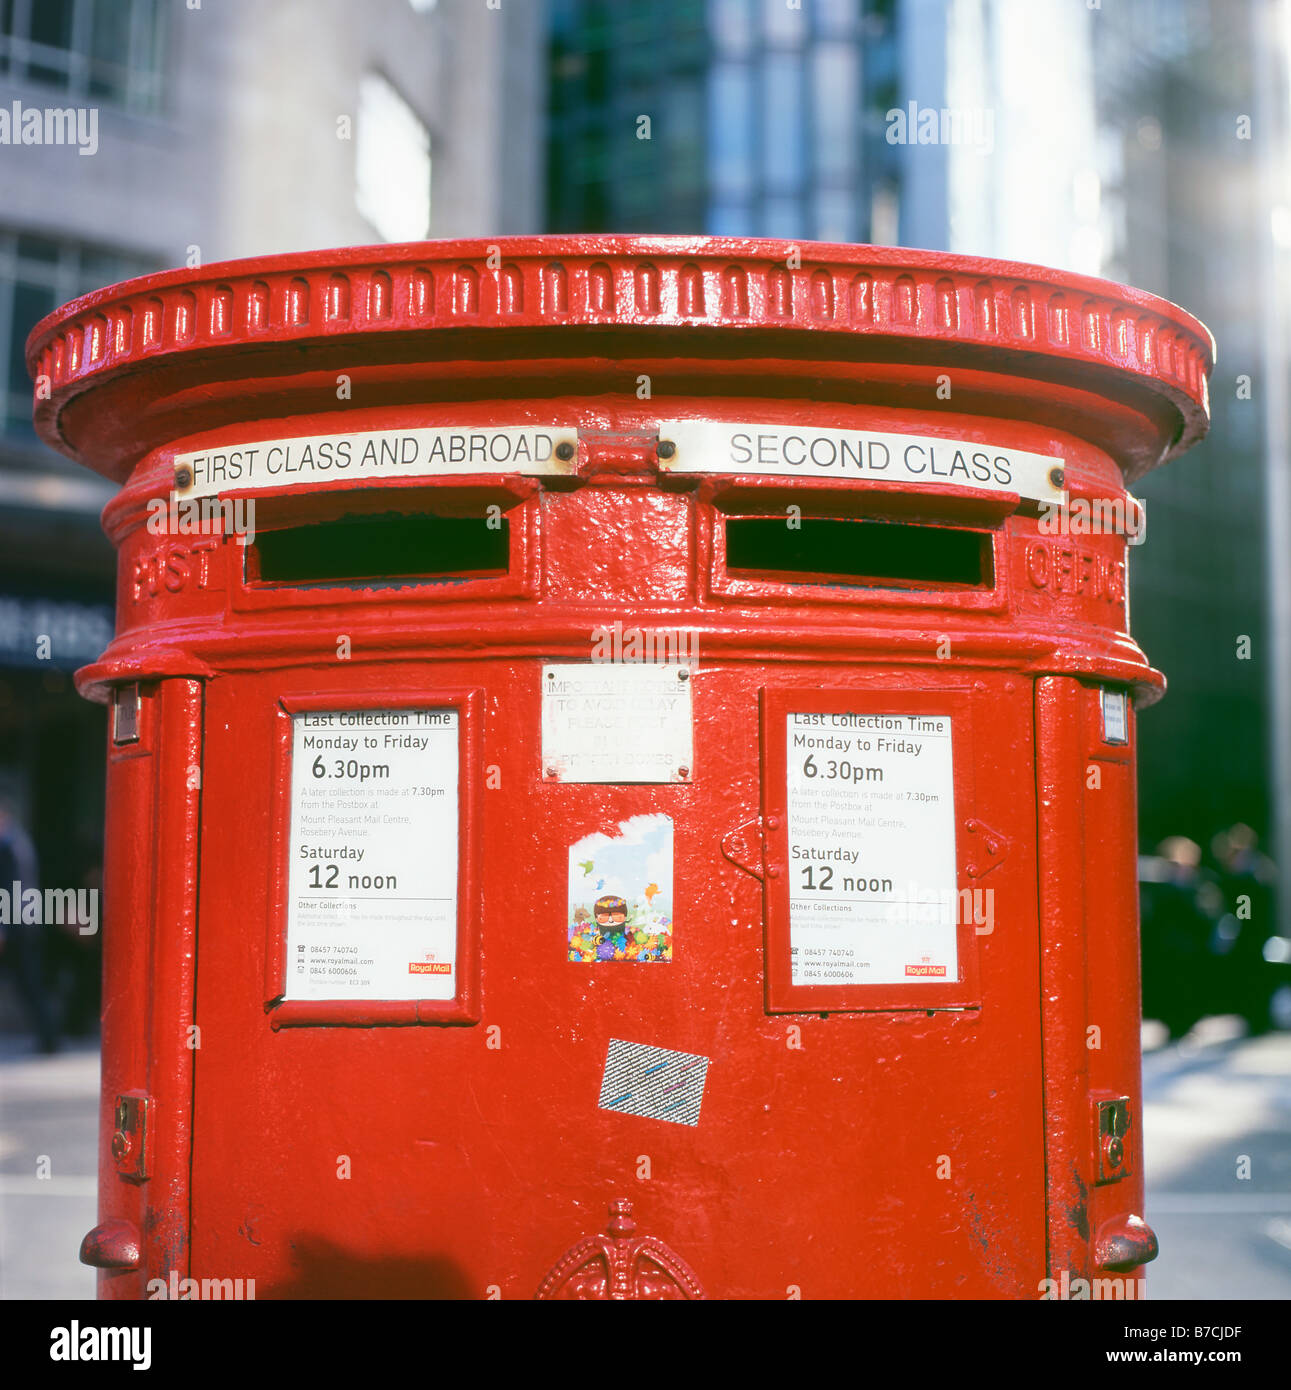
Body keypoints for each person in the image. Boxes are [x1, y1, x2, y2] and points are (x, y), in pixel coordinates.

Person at [0, 785, 59, 1052]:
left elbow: (9, 889)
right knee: (30, 983)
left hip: (17, 926)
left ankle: (49, 1035)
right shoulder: (21, 842)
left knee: (30, 984)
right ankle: (49, 1035)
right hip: (26, 922)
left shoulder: (10, 847)